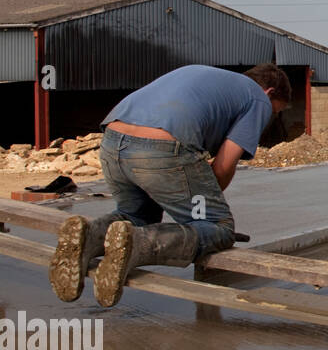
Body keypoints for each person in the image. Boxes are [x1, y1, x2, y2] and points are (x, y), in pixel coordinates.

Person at [48, 63, 291, 308]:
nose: (269, 118)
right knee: (218, 227)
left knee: (136, 214)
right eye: (275, 112)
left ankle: (88, 235)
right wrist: (205, 216)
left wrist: (195, 195)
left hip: (113, 141)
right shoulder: (258, 99)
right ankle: (136, 244)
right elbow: (223, 167)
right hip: (162, 147)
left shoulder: (207, 76)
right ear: (269, 92)